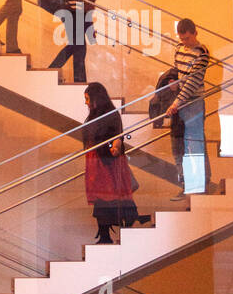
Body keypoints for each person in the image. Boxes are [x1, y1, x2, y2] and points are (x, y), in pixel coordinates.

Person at [83, 82, 151, 243]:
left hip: (106, 163)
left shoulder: (109, 116)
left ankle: (110, 233)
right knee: (106, 197)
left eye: (87, 99)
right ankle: (112, 231)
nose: (85, 103)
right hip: (99, 162)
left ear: (96, 99)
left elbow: (116, 138)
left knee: (107, 197)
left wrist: (111, 150)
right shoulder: (100, 115)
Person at [164, 19, 213, 197]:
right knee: (177, 145)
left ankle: (200, 183)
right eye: (182, 38)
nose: (185, 42)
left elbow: (193, 82)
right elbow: (179, 73)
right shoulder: (179, 49)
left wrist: (176, 102)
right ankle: (187, 182)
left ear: (195, 33)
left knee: (194, 143)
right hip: (180, 101)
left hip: (193, 103)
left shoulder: (202, 52)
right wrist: (174, 84)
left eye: (187, 38)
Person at [148, 65, 185, 190]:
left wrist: (158, 120)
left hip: (181, 127)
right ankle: (186, 185)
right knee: (180, 157)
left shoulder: (172, 79)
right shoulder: (175, 77)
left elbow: (159, 102)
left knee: (180, 156)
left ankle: (186, 185)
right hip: (180, 125)